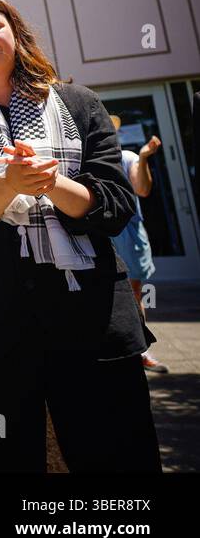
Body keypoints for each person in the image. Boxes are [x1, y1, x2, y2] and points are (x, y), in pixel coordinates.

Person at [0, 0, 160, 473]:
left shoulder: (79, 102)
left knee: (118, 460)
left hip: (90, 321)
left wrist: (52, 183)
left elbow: (113, 208)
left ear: (15, 31)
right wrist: (7, 186)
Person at [107, 119, 168, 374]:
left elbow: (142, 189)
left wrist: (143, 158)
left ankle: (140, 349)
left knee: (134, 291)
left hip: (128, 231)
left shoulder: (128, 157)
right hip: (101, 232)